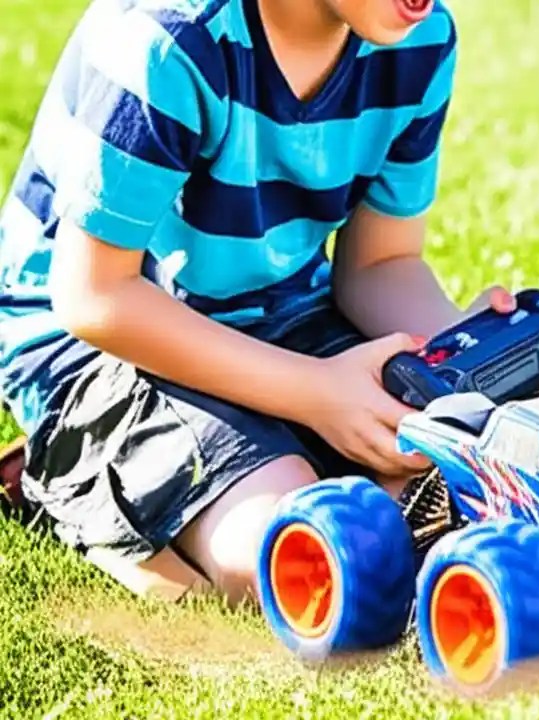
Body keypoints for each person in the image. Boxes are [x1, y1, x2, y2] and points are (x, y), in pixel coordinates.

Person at [0, 0, 506, 606]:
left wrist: (463, 366)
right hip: (97, 347)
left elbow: (379, 266)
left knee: (443, 490)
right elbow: (95, 297)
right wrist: (314, 394)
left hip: (277, 313)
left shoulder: (418, 39)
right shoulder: (169, 41)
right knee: (296, 549)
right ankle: (82, 487)